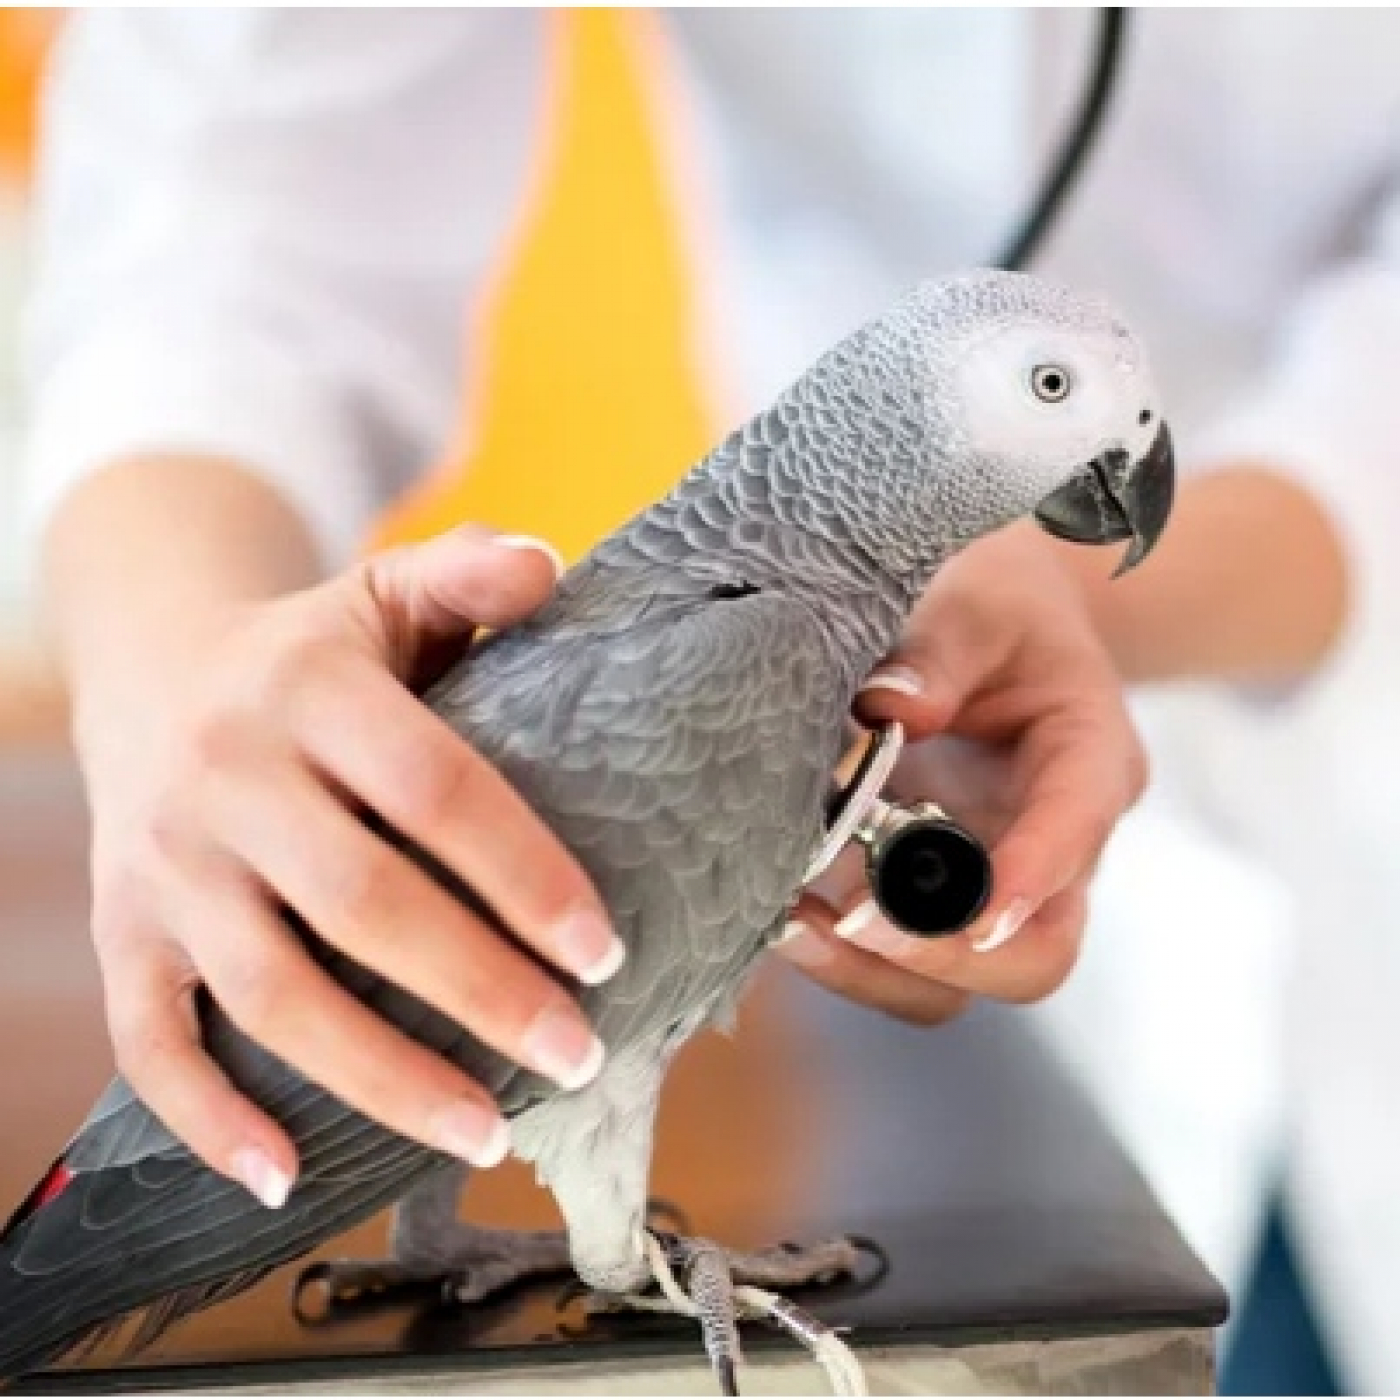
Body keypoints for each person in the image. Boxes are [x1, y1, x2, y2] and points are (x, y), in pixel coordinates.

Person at [15, 9, 1400, 1391]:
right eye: (1050, 390)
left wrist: (1085, 604)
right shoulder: (740, 661)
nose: (1125, 439)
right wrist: (174, 648)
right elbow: (232, 194)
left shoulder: (784, 634)